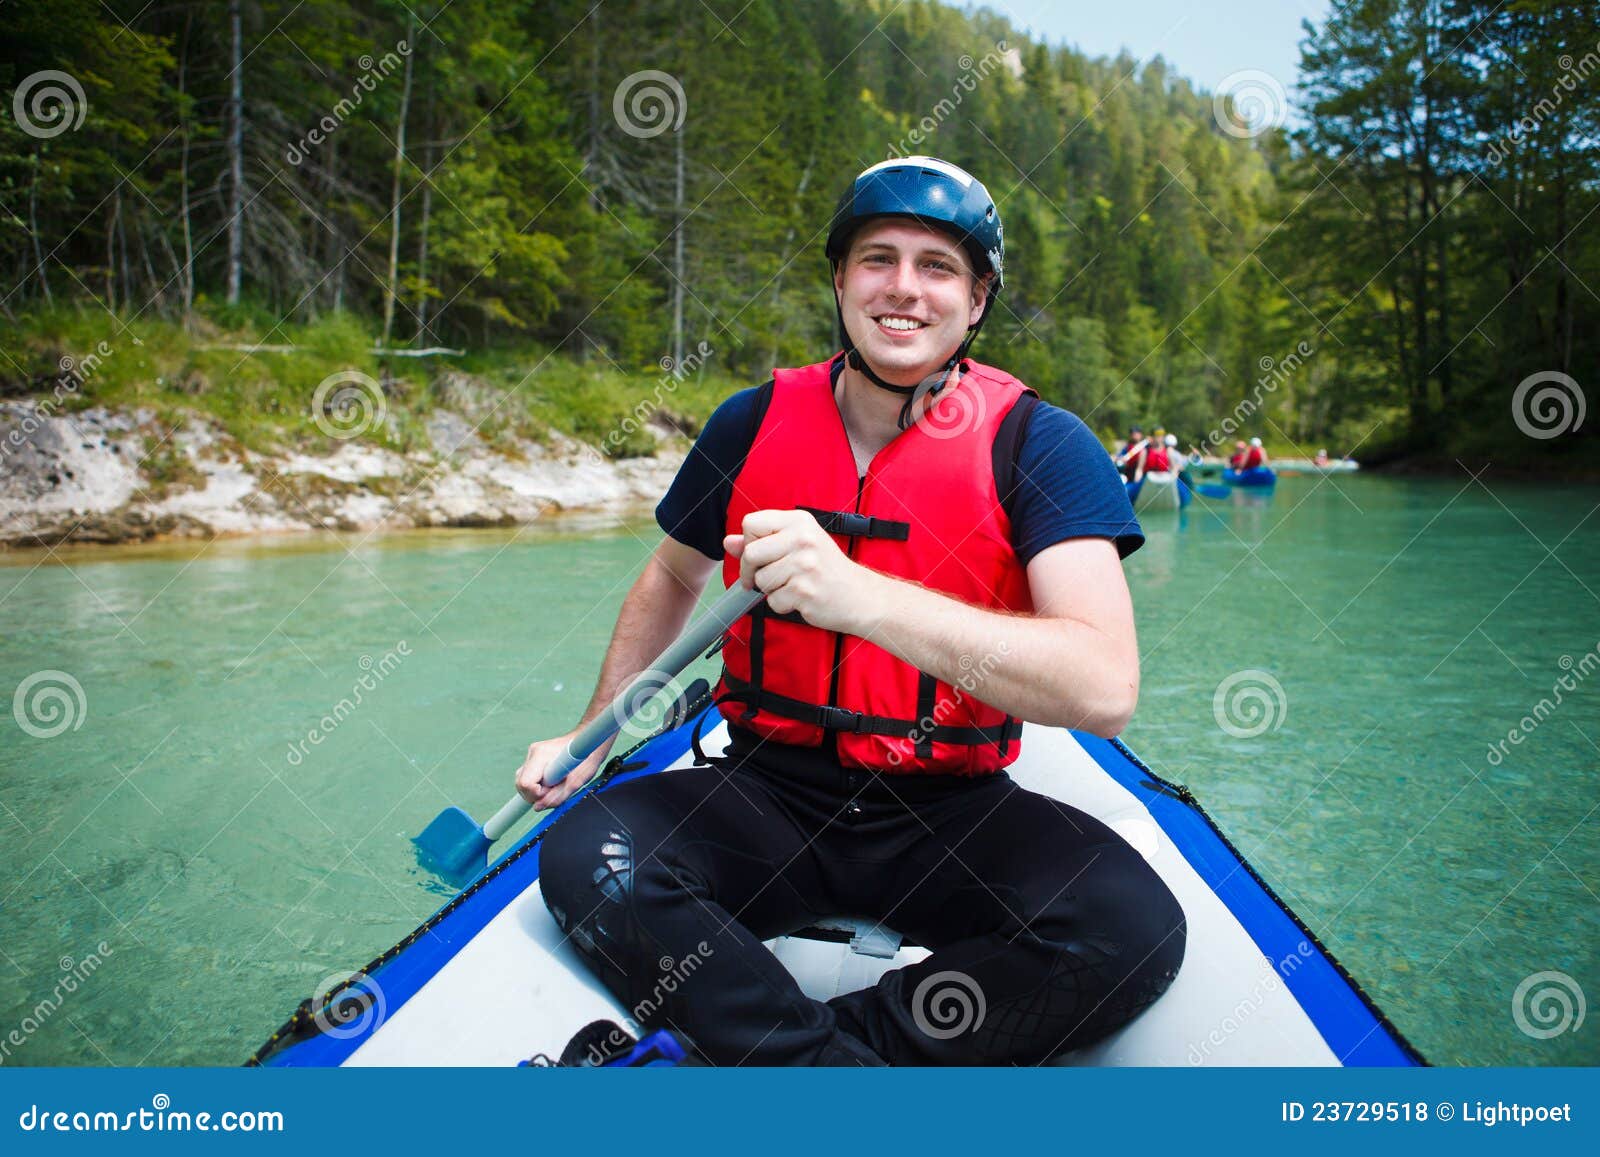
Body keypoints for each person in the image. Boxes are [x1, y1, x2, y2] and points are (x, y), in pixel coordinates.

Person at [520, 156, 1186, 1066]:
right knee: (592, 855)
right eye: (878, 258)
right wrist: (595, 733)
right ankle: (839, 1079)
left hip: (951, 816)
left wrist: (865, 598)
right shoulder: (750, 422)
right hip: (766, 796)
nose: (903, 289)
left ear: (978, 299)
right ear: (840, 279)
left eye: (938, 266)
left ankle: (818, 1057)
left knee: (1132, 927)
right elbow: (672, 576)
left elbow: (1104, 686)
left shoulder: (1044, 442)